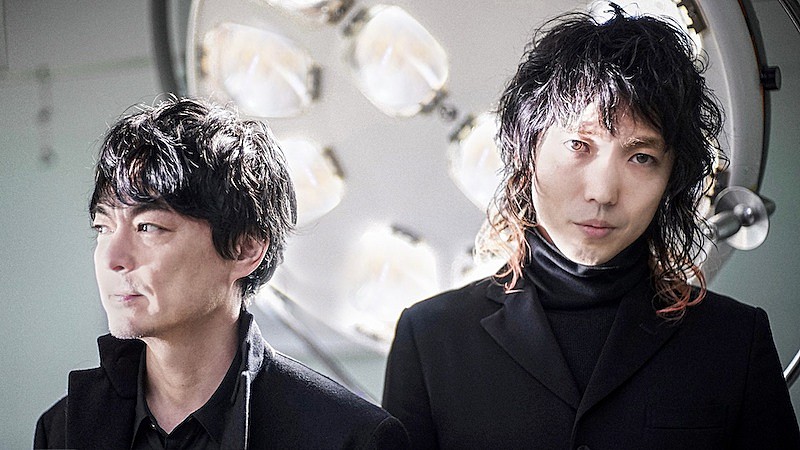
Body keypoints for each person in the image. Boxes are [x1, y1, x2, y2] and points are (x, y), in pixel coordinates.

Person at [382, 7, 800, 449]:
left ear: (672, 179)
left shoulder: (734, 340)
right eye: (578, 145)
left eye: (641, 157)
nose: (602, 192)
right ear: (527, 150)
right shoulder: (430, 338)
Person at [35, 97, 409, 449]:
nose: (113, 258)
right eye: (103, 228)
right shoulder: (63, 430)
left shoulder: (347, 437)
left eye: (149, 227)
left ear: (245, 248)